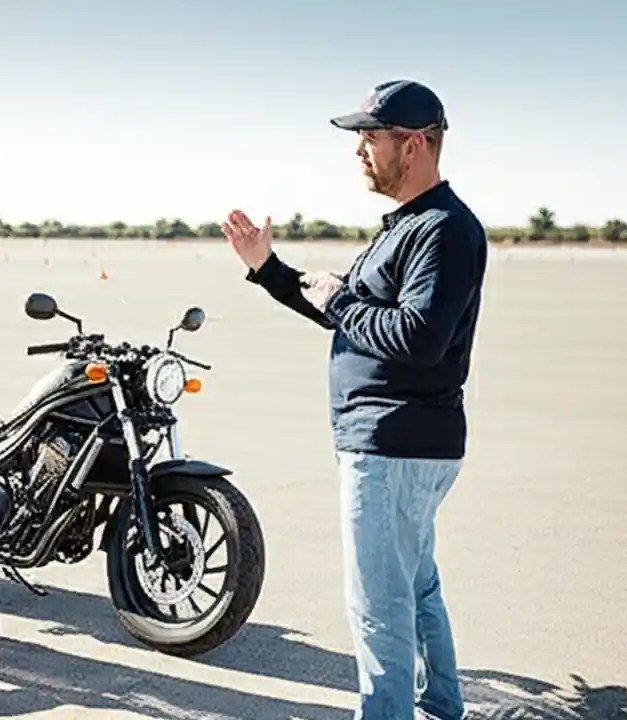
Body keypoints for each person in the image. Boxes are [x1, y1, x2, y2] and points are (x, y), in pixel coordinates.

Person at [221, 79, 487, 720]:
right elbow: (349, 315)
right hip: (399, 444)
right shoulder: (410, 227)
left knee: (379, 608)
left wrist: (342, 300)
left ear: (415, 144)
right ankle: (439, 706)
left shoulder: (443, 231)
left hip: (395, 445)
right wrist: (269, 270)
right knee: (415, 586)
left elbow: (417, 338)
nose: (359, 150)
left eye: (371, 137)